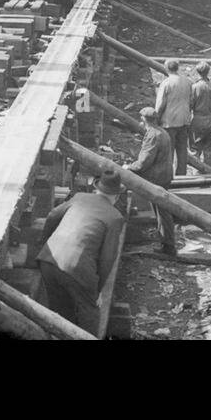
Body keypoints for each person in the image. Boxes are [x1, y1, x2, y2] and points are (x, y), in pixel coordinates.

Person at [35, 172, 125, 334]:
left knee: (60, 312)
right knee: (90, 313)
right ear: (117, 196)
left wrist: (43, 242)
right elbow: (108, 258)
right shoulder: (115, 217)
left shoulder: (79, 197)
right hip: (77, 267)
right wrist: (98, 289)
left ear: (96, 188)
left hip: (48, 260)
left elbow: (52, 215)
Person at [127, 107, 178, 255]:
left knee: (163, 211)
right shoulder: (162, 132)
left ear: (144, 120)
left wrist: (129, 167)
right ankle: (165, 242)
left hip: (157, 178)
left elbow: (144, 162)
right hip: (164, 175)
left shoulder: (153, 135)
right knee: (161, 210)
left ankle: (168, 246)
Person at [154, 59, 193, 176]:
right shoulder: (187, 81)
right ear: (177, 68)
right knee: (182, 150)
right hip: (184, 119)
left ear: (166, 68)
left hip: (169, 121)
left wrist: (156, 118)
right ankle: (182, 175)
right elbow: (191, 101)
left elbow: (160, 104)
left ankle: (168, 175)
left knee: (168, 151)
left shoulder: (166, 83)